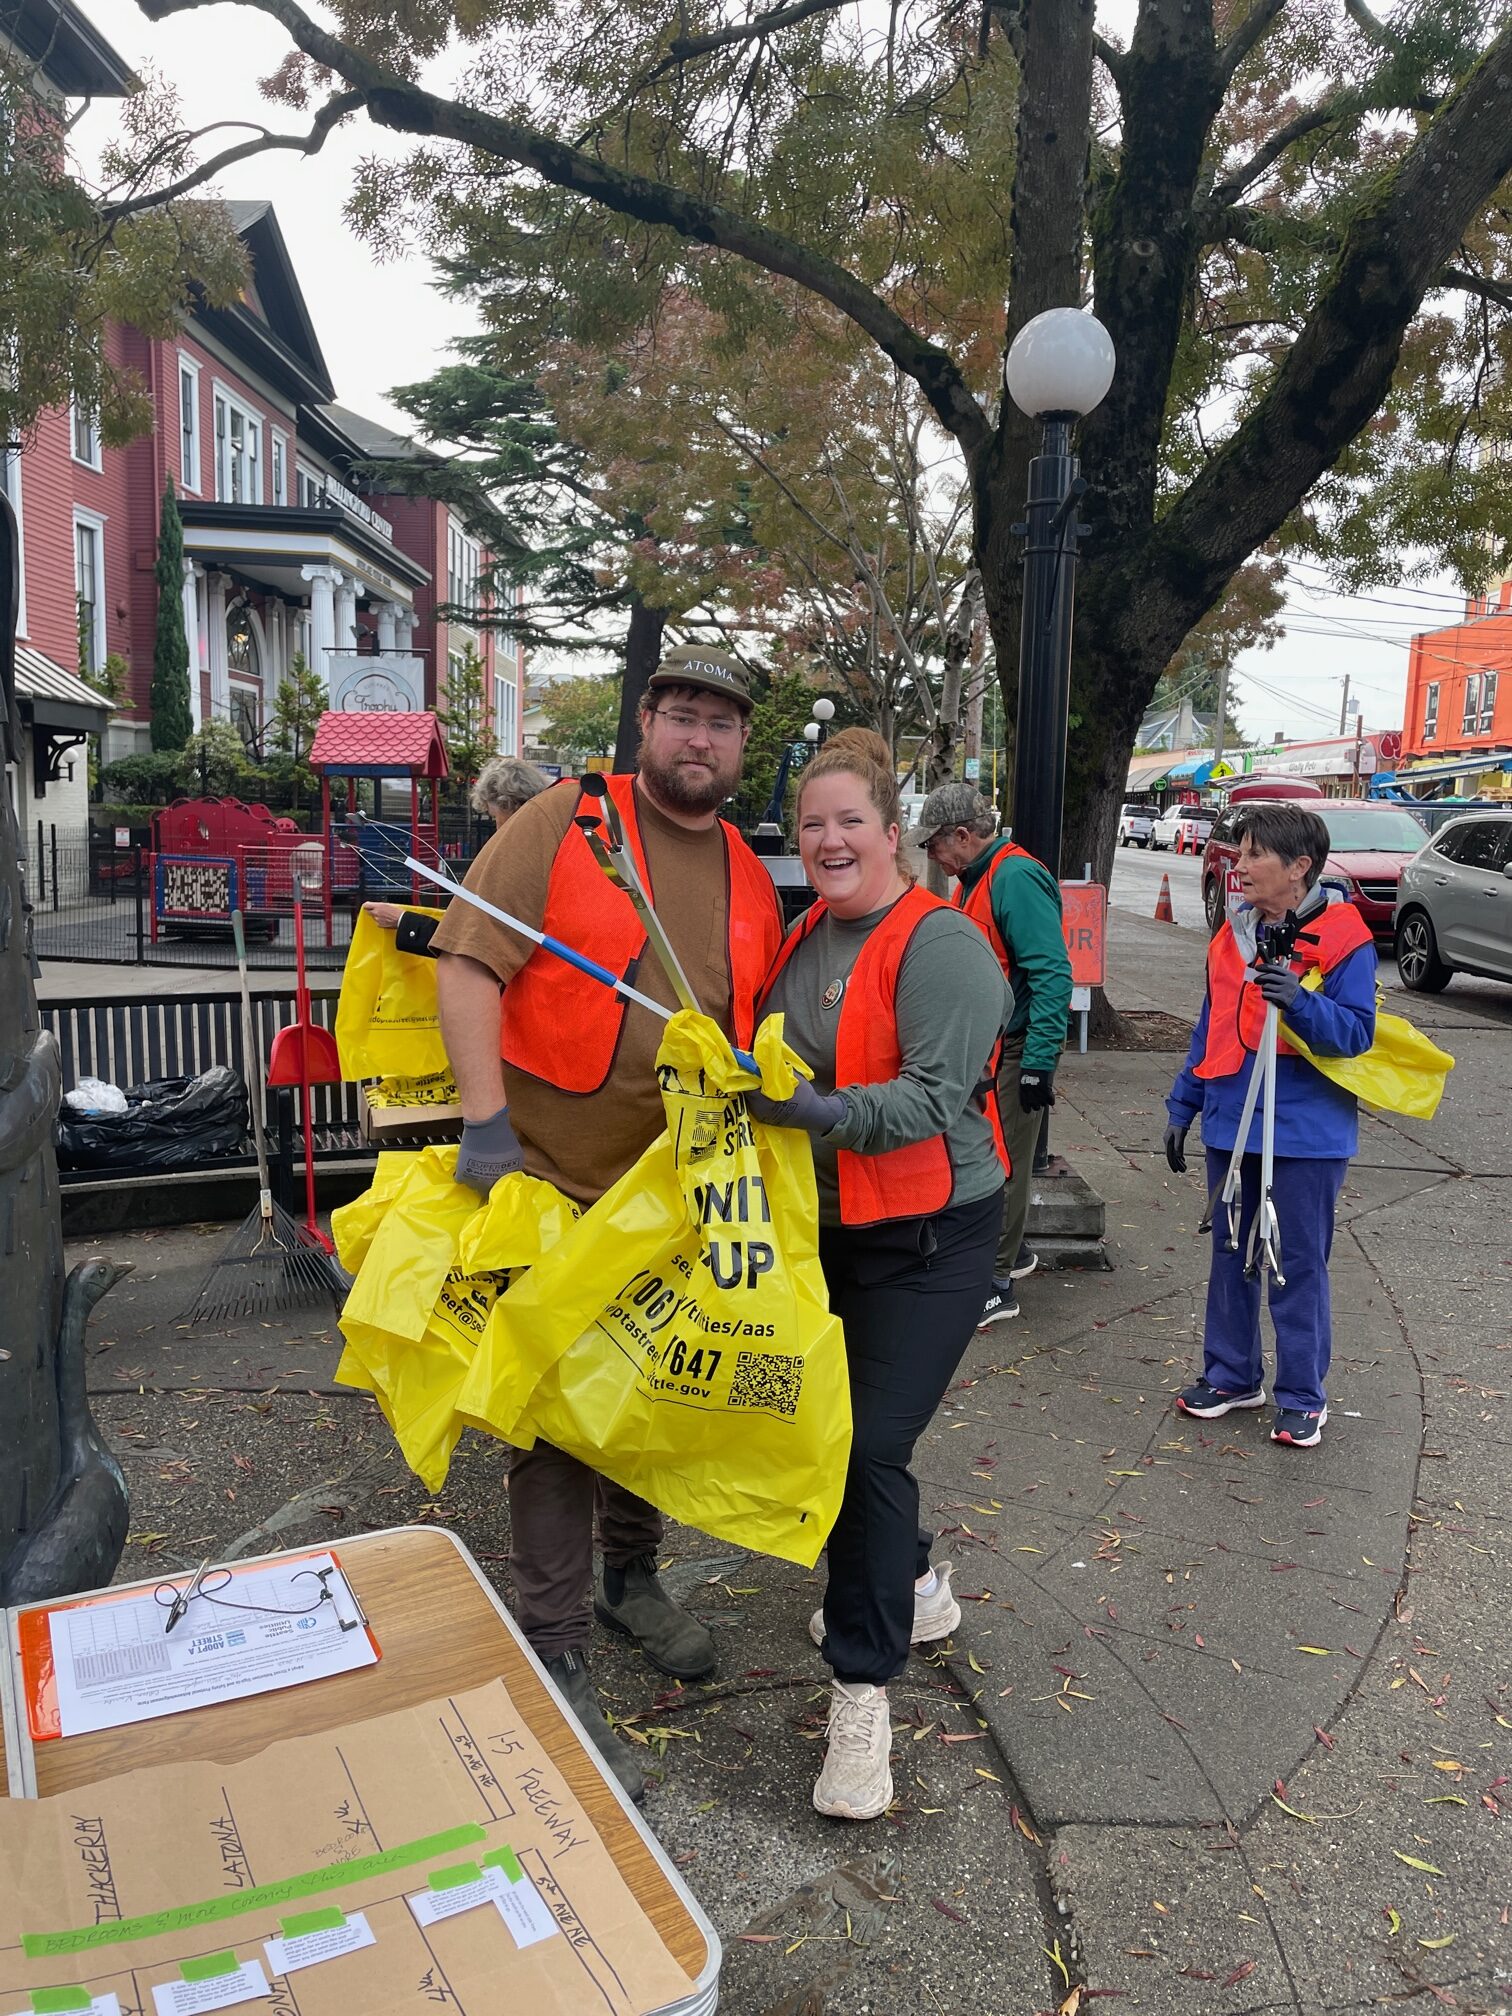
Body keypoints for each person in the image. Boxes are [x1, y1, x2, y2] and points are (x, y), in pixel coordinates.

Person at [429, 645, 784, 1799]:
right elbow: (467, 964)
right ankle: (553, 1637)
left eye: (721, 725)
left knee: (655, 1398)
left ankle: (632, 1579)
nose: (699, 738)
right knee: (555, 1421)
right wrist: (487, 1126)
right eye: (681, 715)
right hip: (554, 1188)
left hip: (674, 1197)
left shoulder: (748, 869)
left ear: (740, 749)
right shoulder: (562, 823)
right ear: (646, 725)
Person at [751, 729, 1010, 1822]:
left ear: (895, 836)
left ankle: (862, 1690)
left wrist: (816, 1113)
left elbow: (932, 1102)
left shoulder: (942, 944)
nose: (828, 839)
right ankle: (912, 1578)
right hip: (829, 1230)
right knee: (837, 1435)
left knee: (867, 1446)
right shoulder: (802, 935)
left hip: (933, 1237)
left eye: (850, 820)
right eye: (812, 825)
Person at [1164, 803, 1376, 1449]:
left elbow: (1356, 1034)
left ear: (1299, 867)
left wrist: (1301, 1003)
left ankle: (1303, 1396)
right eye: (1241, 851)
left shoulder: (1344, 937)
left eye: (1255, 853)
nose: (1241, 864)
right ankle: (1231, 1375)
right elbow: (1211, 1025)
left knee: (1296, 1263)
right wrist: (1183, 1106)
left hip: (1303, 1133)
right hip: (1232, 1123)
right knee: (1231, 1255)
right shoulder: (1232, 935)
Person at [911, 782, 1073, 1326]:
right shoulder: (983, 877)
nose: (931, 855)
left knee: (1005, 1160)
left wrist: (1037, 1063)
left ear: (962, 835)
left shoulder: (1012, 877)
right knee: (999, 1154)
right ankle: (1010, 1256)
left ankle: (997, 1283)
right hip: (1002, 1044)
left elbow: (1051, 973)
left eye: (933, 844)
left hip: (1018, 1045)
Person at [364, 756, 550, 947]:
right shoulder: (549, 845)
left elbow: (479, 939)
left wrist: (403, 921)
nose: (496, 827)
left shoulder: (521, 858)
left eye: (495, 816)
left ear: (511, 805)